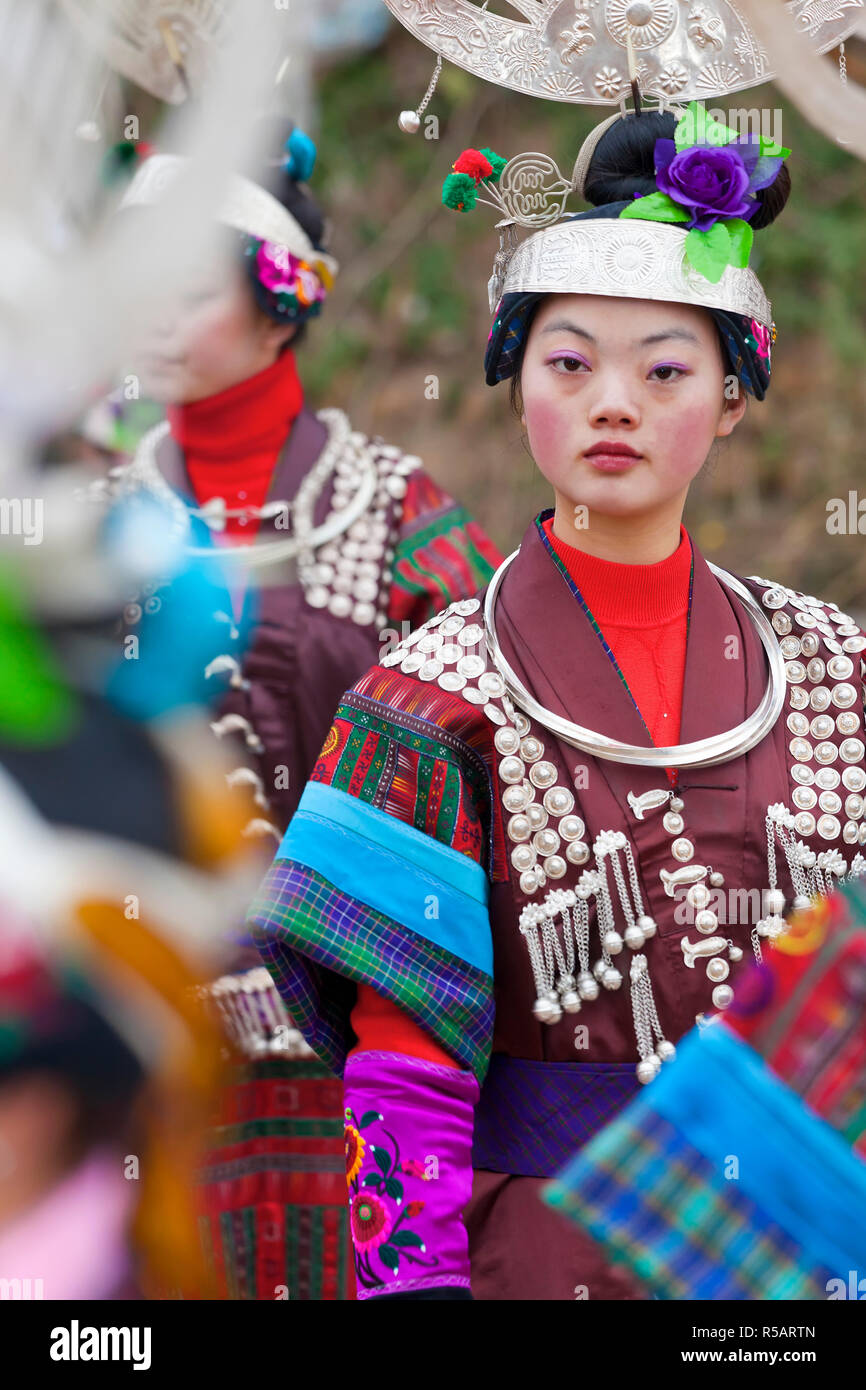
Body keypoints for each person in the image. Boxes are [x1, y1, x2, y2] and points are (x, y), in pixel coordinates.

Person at [246, 101, 866, 1300]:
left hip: (806, 1257)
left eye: (664, 369)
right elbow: (402, 1068)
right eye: (568, 363)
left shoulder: (838, 670)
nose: (612, 403)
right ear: (512, 380)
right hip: (543, 1254)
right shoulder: (425, 699)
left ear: (733, 395)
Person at [101, 119, 502, 1300]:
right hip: (148, 1036)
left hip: (355, 1030)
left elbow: (495, 755)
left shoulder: (391, 511)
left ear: (281, 305)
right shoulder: (88, 520)